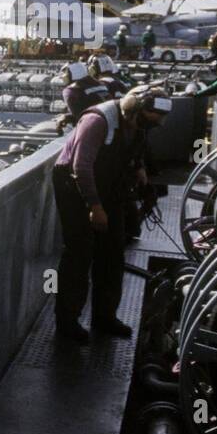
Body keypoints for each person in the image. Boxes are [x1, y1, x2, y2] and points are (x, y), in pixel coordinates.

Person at [52, 88, 173, 343]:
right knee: (79, 253)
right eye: (148, 121)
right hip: (74, 186)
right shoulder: (97, 121)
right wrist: (95, 207)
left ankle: (104, 317)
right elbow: (81, 167)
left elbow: (134, 149)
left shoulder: (137, 124)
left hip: (108, 183)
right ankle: (67, 322)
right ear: (134, 111)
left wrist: (140, 171)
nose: (150, 127)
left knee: (113, 251)